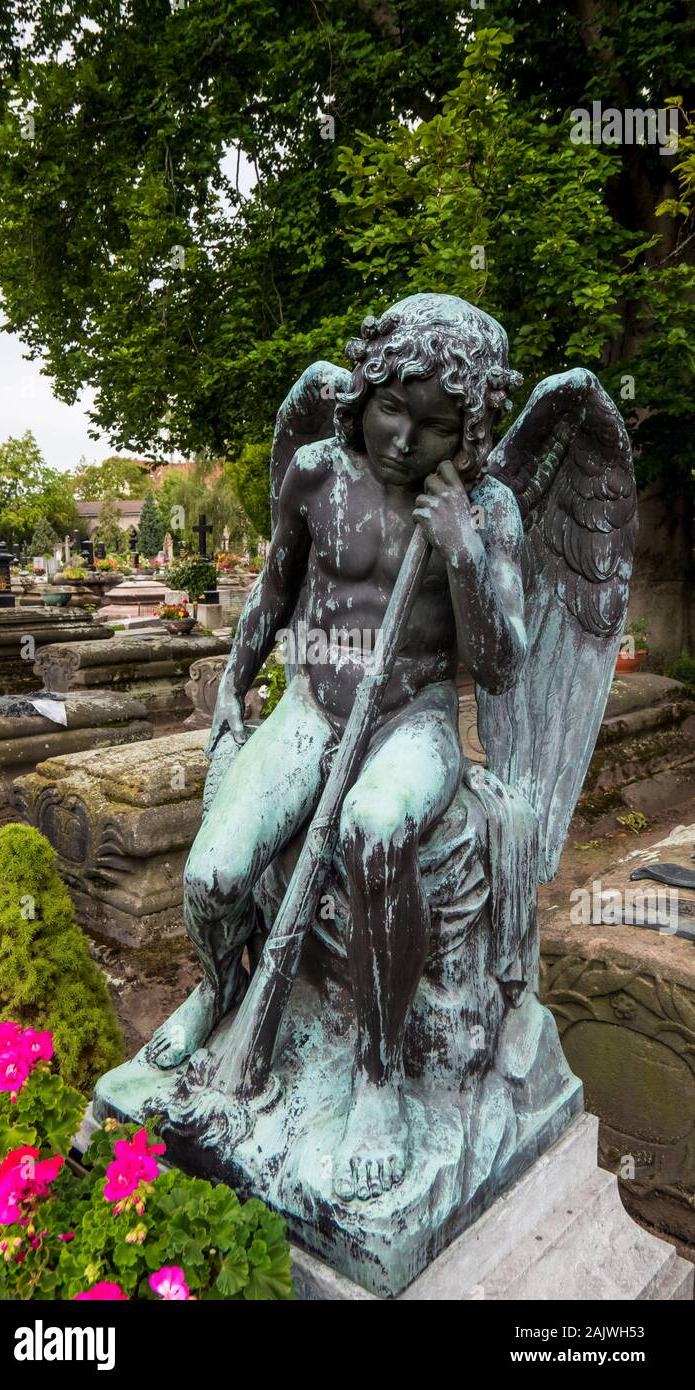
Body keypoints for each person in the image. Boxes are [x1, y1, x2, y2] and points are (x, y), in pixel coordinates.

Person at [148, 293, 527, 1200]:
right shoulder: (316, 472)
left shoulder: (488, 508)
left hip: (411, 719)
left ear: (466, 430)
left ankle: (378, 1078)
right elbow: (271, 592)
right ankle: (217, 987)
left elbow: (504, 665)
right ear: (362, 391)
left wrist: (463, 553)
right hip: (311, 708)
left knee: (375, 826)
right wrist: (233, 692)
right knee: (210, 879)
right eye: (391, 407)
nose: (404, 438)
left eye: (435, 425)